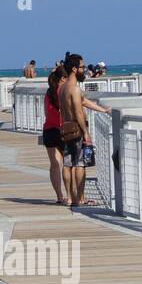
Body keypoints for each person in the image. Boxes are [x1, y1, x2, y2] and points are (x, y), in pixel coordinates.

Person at [59, 52, 105, 208]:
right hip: (77, 129)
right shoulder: (75, 89)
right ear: (73, 69)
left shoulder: (63, 88)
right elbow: (78, 112)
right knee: (80, 164)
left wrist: (103, 110)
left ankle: (69, 198)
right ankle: (80, 198)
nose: (84, 70)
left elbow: (83, 102)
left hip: (66, 128)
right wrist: (86, 133)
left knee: (67, 163)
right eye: (82, 67)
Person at [41, 65, 68, 205]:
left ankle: (59, 196)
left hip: (49, 130)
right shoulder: (63, 91)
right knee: (66, 164)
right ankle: (70, 196)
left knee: (54, 164)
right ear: (63, 78)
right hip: (63, 130)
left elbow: (46, 112)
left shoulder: (48, 92)